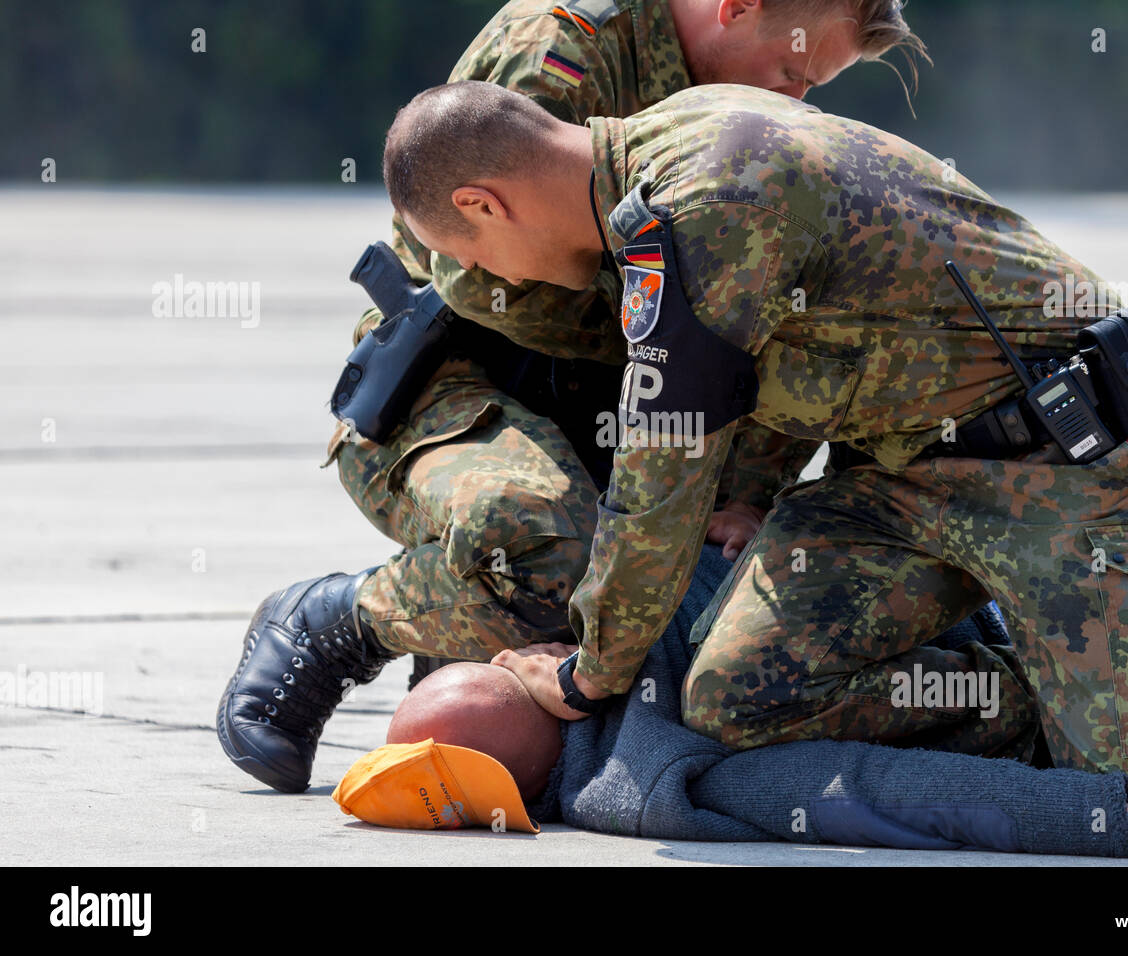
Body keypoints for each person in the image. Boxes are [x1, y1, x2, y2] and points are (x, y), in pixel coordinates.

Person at [380, 79, 1128, 803]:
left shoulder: (694, 213)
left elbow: (656, 483)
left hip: (1060, 469)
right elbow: (782, 344)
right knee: (739, 698)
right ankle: (1066, 696)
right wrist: (754, 494)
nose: (477, 277)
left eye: (462, 256)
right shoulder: (674, 141)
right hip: (899, 477)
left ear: (484, 202)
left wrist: (589, 673)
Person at [218, 0, 931, 794]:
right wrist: (687, 334)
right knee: (561, 563)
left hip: (626, 403)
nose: (795, 102)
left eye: (813, 87)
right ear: (736, 6)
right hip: (463, 381)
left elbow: (777, 318)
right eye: (792, 73)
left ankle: (489, 610)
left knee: (661, 612)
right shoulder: (562, 50)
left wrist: (745, 490)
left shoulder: (743, 120)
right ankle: (337, 619)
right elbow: (490, 282)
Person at [372, 545, 1128, 858]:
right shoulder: (659, 770)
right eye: (504, 676)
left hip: (1007, 638)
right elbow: (882, 789)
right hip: (1048, 702)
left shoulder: (621, 626)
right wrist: (1122, 825)